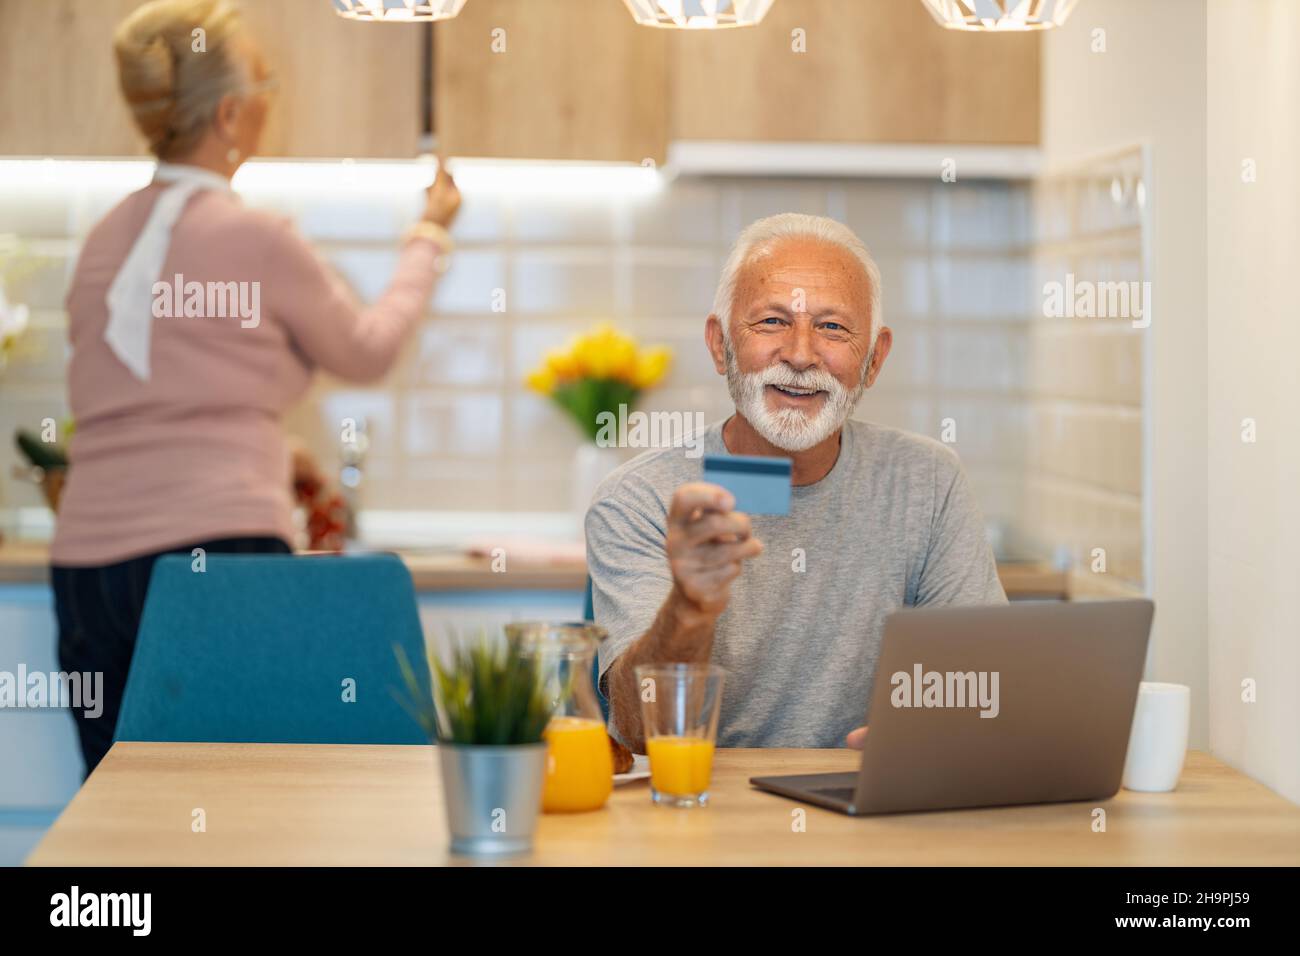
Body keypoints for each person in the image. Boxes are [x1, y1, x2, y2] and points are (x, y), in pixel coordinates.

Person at [50, 0, 461, 775]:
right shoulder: (257, 235)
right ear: (232, 114)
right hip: (218, 557)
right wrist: (428, 235)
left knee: (115, 811)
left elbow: (152, 400)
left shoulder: (102, 240)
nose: (275, 95)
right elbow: (366, 351)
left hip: (87, 568)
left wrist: (273, 452)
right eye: (267, 80)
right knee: (237, 803)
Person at [586, 213, 1007, 751]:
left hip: (869, 810)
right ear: (720, 346)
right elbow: (643, 732)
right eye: (771, 322)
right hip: (701, 816)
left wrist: (937, 730)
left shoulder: (929, 482)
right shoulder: (639, 498)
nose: (802, 355)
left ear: (875, 359)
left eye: (832, 327)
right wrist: (688, 609)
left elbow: (982, 687)